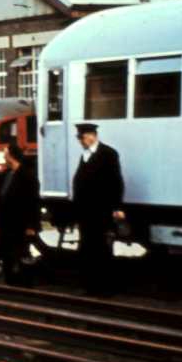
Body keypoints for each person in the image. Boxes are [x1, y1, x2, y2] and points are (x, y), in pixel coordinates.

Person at [71, 123, 125, 295]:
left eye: (82, 137)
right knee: (87, 247)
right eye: (79, 138)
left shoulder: (108, 154)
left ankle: (104, 287)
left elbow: (116, 181)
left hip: (101, 210)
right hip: (86, 211)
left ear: (92, 135)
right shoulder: (85, 155)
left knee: (101, 248)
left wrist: (117, 207)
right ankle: (90, 285)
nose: (80, 141)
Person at [0, 143, 41, 286]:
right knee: (7, 256)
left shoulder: (27, 176)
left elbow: (33, 202)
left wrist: (32, 226)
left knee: (22, 256)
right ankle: (10, 283)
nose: (3, 156)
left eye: (5, 153)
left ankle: (25, 284)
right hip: (5, 225)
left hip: (21, 225)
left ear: (11, 156)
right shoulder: (5, 175)